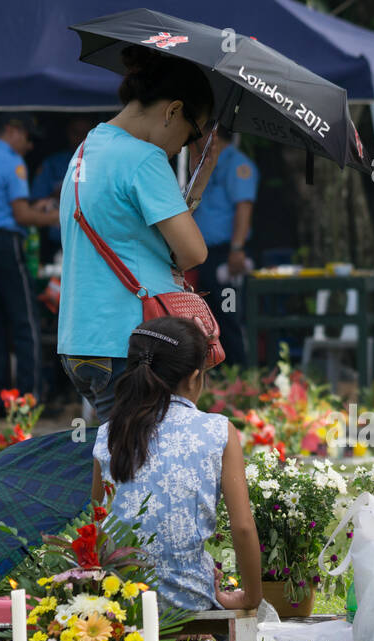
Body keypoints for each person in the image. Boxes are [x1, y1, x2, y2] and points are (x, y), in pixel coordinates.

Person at [58, 49, 215, 420]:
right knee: (138, 468)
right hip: (131, 341)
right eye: (193, 132)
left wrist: (198, 180)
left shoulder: (86, 149)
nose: (183, 146)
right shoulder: (145, 159)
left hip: (81, 342)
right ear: (173, 110)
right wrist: (199, 187)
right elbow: (193, 254)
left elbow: (133, 237)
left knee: (115, 457)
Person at [91, 316, 260, 612]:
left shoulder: (109, 433)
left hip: (117, 599)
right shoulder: (218, 430)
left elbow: (97, 522)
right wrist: (251, 598)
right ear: (195, 377)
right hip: (187, 597)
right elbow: (243, 527)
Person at [0, 113, 60, 407]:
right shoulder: (13, 163)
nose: (29, 146)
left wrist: (34, 206)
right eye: (28, 138)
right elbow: (20, 216)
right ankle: (29, 397)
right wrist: (60, 215)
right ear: (13, 130)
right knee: (24, 322)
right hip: (5, 245)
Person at [191, 126, 258, 368]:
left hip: (227, 254)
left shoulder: (238, 164)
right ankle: (221, 381)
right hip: (205, 256)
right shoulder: (205, 163)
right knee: (211, 320)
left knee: (230, 317)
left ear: (213, 134)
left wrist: (237, 249)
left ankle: (242, 376)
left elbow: (244, 207)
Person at [30, 116, 95, 254]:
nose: (80, 138)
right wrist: (58, 193)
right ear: (68, 133)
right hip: (55, 239)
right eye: (76, 132)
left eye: (85, 133)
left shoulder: (101, 163)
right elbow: (35, 204)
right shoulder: (53, 163)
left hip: (90, 240)